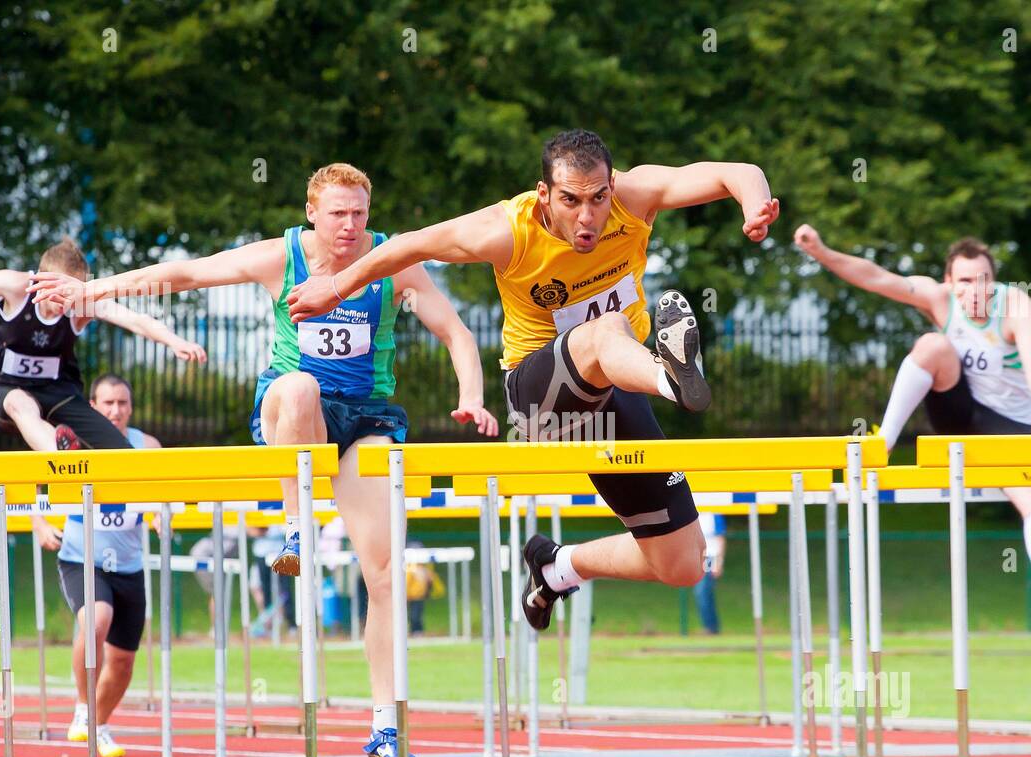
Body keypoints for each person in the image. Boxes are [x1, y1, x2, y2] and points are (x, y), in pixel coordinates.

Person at [30, 163, 500, 757]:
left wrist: (472, 394)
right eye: (337, 213)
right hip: (290, 412)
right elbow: (187, 274)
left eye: (359, 213)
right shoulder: (282, 258)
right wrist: (95, 292)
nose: (349, 226)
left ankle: (386, 725)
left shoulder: (391, 263)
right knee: (301, 385)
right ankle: (296, 531)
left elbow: (459, 334)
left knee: (383, 575)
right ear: (312, 213)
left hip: (366, 420)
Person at [287, 130, 780, 632]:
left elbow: (733, 173)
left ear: (612, 185)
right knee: (605, 330)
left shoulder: (636, 196)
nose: (586, 218)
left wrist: (755, 204)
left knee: (684, 563)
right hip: (540, 401)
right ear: (545, 194)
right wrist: (335, 286)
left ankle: (558, 567)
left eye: (597, 199)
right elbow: (411, 245)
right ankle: (671, 378)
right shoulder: (506, 230)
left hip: (617, 395)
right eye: (570, 201)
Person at [793, 225, 1031, 626]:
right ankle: (882, 442)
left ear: (995, 282)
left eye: (984, 281)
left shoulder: (1017, 307)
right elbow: (875, 278)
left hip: (1010, 426)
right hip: (958, 415)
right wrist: (821, 251)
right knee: (931, 345)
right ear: (948, 283)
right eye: (965, 282)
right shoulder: (939, 300)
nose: (975, 292)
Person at [0, 237, 205, 451]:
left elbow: (136, 320)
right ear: (39, 281)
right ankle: (60, 455)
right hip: (9, 392)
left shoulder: (81, 304)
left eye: (72, 291)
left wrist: (173, 341)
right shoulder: (16, 287)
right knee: (21, 404)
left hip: (61, 397)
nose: (66, 300)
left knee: (122, 453)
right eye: (59, 291)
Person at [30, 374, 160, 757]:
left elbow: (163, 491)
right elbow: (35, 480)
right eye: (107, 404)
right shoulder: (73, 441)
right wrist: (39, 522)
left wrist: (158, 512)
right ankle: (82, 707)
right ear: (93, 406)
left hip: (129, 565)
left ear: (130, 409)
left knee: (122, 664)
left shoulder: (145, 446)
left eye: (122, 404)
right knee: (96, 621)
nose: (115, 411)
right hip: (81, 557)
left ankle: (98, 724)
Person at [693, 513, 726, 634]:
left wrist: (719, 561)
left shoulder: (714, 513)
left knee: (702, 591)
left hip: (710, 558)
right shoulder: (694, 512)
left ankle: (711, 627)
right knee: (704, 592)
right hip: (698, 557)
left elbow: (720, 538)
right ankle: (710, 626)